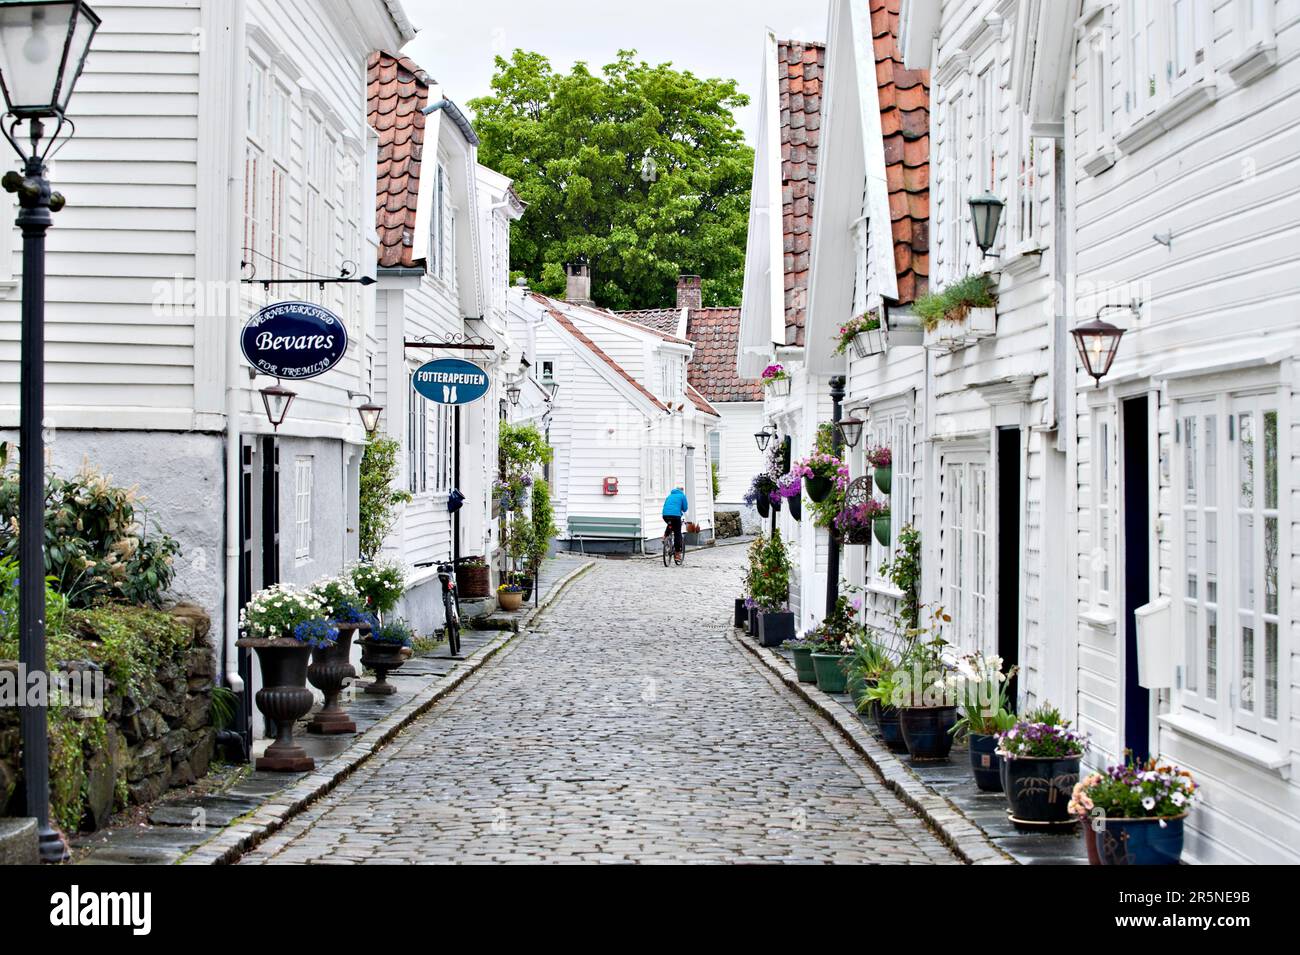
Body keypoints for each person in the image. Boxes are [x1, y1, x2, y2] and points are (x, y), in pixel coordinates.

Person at [661, 486, 689, 558]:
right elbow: (685, 508)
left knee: (670, 524)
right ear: (682, 491)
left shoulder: (669, 496)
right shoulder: (682, 496)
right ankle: (677, 553)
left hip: (665, 515)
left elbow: (666, 506)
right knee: (677, 533)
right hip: (676, 516)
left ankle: (665, 536)